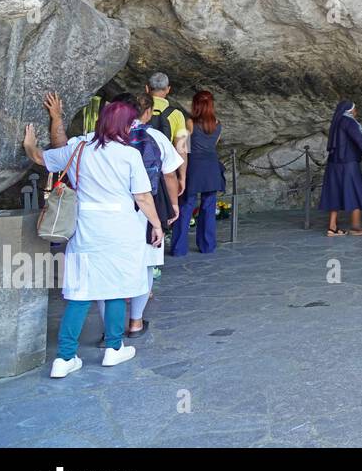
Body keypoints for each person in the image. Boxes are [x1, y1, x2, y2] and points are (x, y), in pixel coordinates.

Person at [23, 100, 164, 378]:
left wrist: (29, 144)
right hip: (121, 230)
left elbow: (39, 158)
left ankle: (64, 358)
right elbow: (142, 196)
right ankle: (114, 348)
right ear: (125, 126)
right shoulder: (129, 155)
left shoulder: (79, 149)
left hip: (86, 229)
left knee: (80, 294)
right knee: (116, 289)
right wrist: (157, 224)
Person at [42, 92, 179, 339]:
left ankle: (100, 338)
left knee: (96, 285)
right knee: (143, 269)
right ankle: (135, 323)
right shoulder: (154, 138)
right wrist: (171, 208)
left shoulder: (85, 142)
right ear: (143, 113)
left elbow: (57, 151)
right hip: (139, 216)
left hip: (91, 222)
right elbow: (166, 176)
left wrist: (55, 120)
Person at [174, 91, 225, 256]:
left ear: (195, 104)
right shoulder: (218, 124)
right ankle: (207, 245)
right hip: (212, 168)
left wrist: (180, 174)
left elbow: (181, 147)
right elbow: (213, 145)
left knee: (186, 206)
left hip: (194, 168)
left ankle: (179, 248)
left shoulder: (189, 123)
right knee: (209, 208)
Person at [320, 100, 362, 236]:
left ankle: (332, 227)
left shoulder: (337, 122)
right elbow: (360, 142)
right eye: (355, 109)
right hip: (348, 164)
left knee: (334, 193)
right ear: (350, 110)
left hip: (334, 163)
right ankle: (356, 227)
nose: (356, 112)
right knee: (355, 191)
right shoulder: (349, 122)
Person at [145, 72, 189, 198]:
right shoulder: (177, 114)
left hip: (138, 169)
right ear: (168, 89)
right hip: (164, 171)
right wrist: (182, 177)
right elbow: (182, 148)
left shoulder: (136, 110)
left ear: (147, 88)